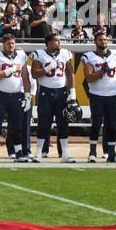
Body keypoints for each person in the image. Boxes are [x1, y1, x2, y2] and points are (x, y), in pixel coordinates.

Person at [82, 30, 116, 163]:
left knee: (112, 125)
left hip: (113, 95)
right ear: (95, 42)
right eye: (101, 40)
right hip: (97, 95)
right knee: (96, 124)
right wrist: (102, 71)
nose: (103, 42)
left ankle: (112, 153)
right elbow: (89, 78)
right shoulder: (89, 56)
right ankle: (92, 152)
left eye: (105, 40)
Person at [30, 31, 76, 163]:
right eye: (56, 41)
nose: (59, 43)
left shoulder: (65, 53)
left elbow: (70, 73)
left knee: (63, 123)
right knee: (44, 124)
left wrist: (72, 93)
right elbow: (34, 74)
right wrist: (48, 68)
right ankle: (38, 153)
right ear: (49, 42)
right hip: (45, 93)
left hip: (61, 93)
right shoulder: (39, 54)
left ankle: (65, 154)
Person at [0, 33, 30, 163]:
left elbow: (25, 76)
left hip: (17, 95)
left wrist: (27, 95)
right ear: (3, 44)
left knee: (17, 126)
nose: (11, 46)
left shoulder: (21, 55)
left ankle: (18, 151)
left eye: (12, 43)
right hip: (1, 95)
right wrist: (11, 70)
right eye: (8, 43)